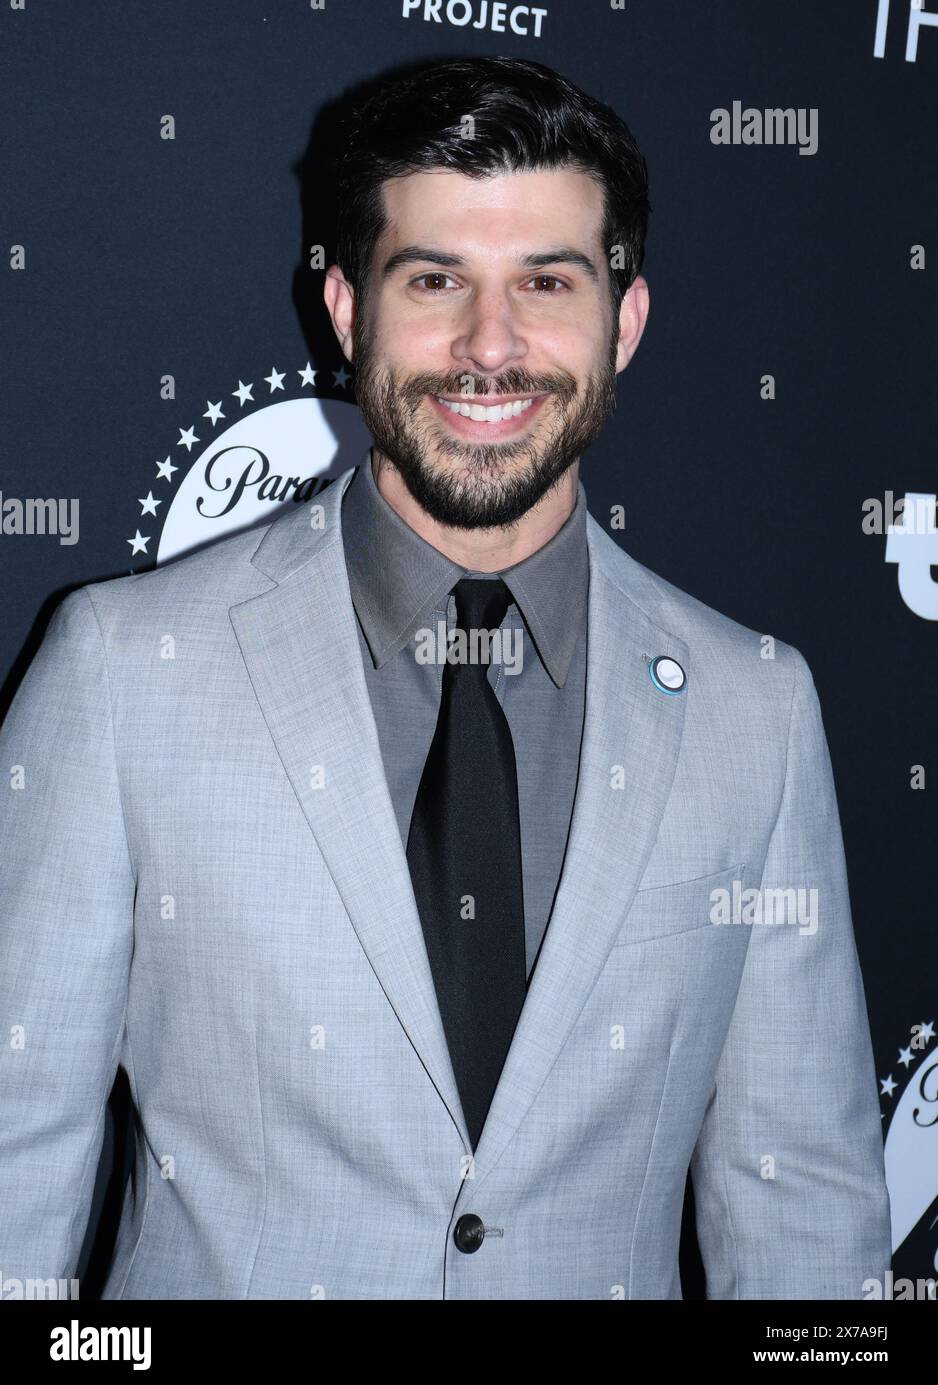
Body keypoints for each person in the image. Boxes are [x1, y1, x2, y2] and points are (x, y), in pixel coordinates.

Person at [0, 56, 891, 1300]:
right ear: (345, 311)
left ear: (622, 322)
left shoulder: (756, 711)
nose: (490, 345)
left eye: (545, 281)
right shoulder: (120, 674)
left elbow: (804, 1218)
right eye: (434, 280)